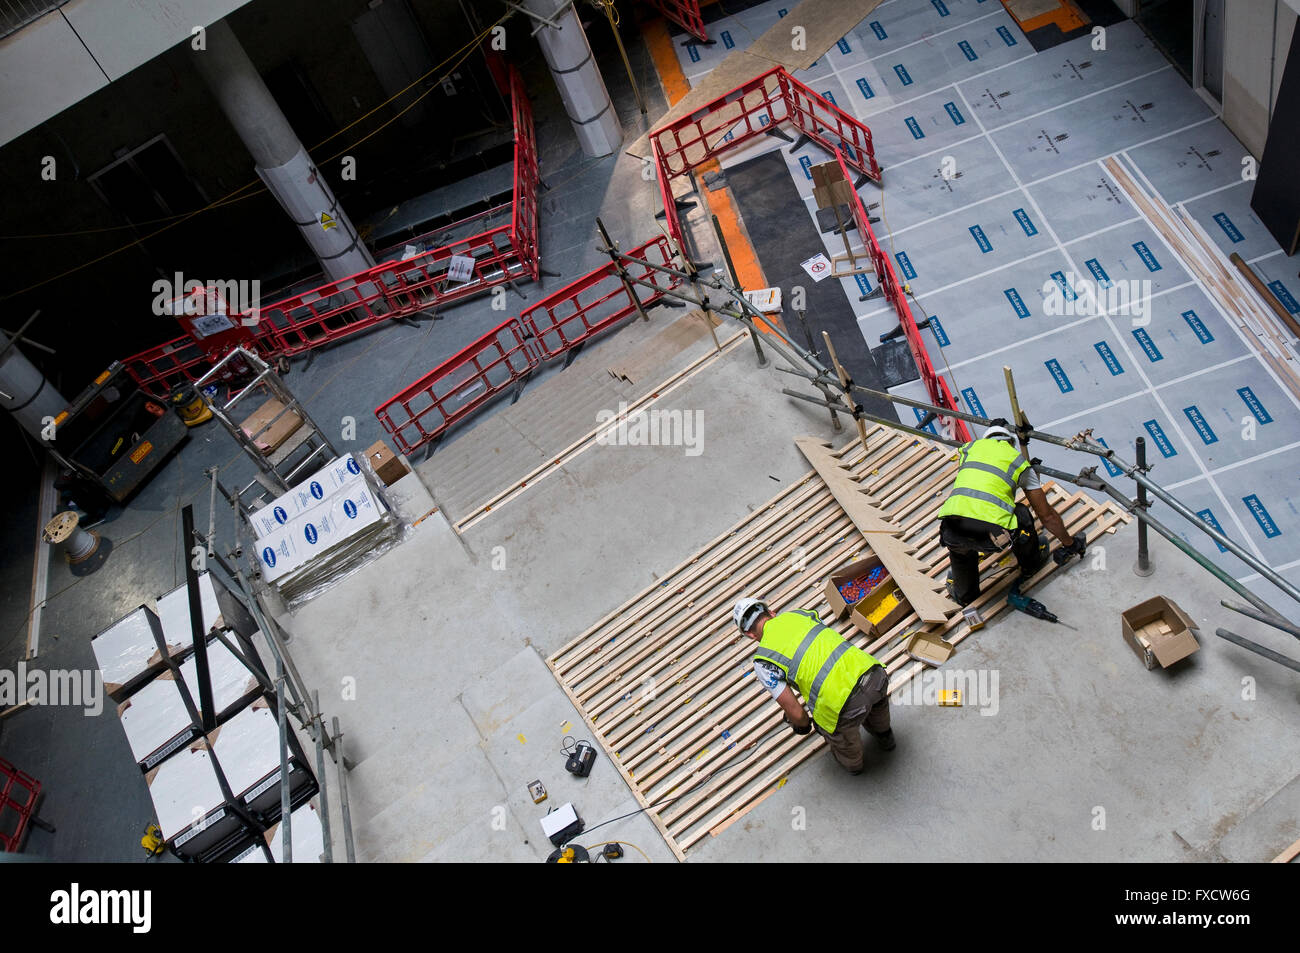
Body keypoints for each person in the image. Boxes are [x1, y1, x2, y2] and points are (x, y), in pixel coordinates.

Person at [733, 597, 893, 775]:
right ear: (771, 612)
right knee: (876, 703)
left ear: (750, 634)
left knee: (838, 735)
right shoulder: (801, 614)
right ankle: (885, 737)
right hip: (873, 673)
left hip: (842, 705)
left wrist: (802, 726)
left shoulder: (763, 661)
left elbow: (797, 714)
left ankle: (856, 767)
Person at [937, 421, 1085, 606]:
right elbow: (1046, 516)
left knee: (960, 551)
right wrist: (1070, 543)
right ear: (1011, 442)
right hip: (991, 538)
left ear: (986, 438)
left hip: (950, 532)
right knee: (1021, 512)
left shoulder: (969, 449)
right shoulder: (1018, 461)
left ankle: (965, 595)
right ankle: (1031, 563)